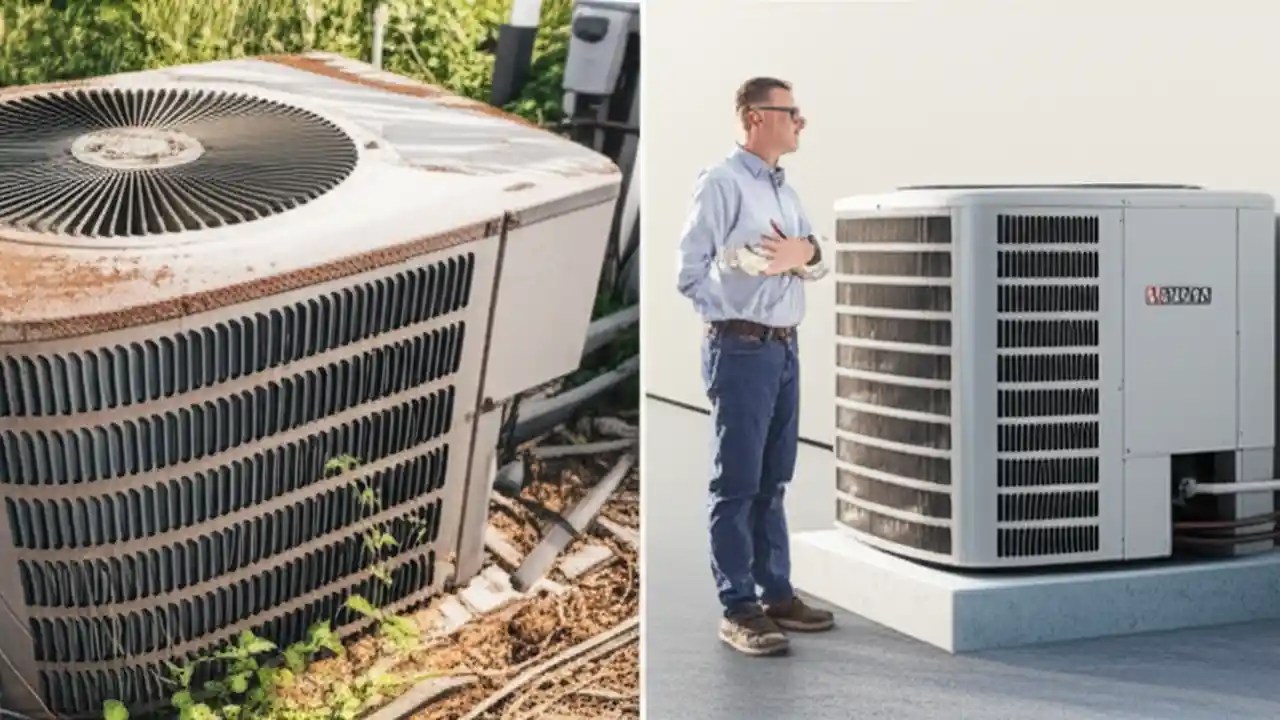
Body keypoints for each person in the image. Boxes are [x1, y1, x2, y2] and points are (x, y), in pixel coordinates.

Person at [676, 76, 835, 657]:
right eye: (791, 111)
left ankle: (777, 595)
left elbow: (816, 256)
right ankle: (739, 608)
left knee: (775, 478)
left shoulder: (784, 190)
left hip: (784, 348)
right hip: (741, 348)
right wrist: (746, 273)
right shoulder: (722, 183)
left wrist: (803, 252)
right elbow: (690, 274)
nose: (801, 121)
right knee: (737, 482)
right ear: (754, 117)